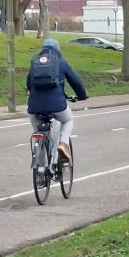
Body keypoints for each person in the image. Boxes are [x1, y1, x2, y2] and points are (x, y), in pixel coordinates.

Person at [26, 37, 88, 167]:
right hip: (57, 106)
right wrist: (82, 96)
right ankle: (63, 144)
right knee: (68, 120)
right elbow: (76, 82)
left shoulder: (35, 61)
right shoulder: (61, 62)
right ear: (57, 49)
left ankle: (40, 167)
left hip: (34, 107)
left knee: (38, 133)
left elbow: (29, 84)